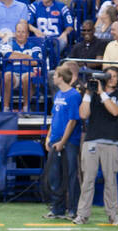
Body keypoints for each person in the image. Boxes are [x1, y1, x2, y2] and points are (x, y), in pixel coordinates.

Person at [73, 65, 118, 225]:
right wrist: (88, 93)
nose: (111, 78)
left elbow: (115, 111)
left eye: (114, 76)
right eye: (108, 75)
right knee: (88, 179)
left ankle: (113, 215)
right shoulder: (93, 94)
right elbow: (83, 114)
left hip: (111, 141)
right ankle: (82, 214)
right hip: (92, 140)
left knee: (111, 181)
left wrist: (101, 93)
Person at [44, 61, 77, 217]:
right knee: (54, 175)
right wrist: (48, 137)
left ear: (61, 77)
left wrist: (63, 141)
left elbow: (72, 121)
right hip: (55, 139)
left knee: (70, 174)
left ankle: (72, 208)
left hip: (69, 142)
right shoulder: (58, 94)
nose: (53, 77)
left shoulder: (74, 95)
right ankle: (57, 208)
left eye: (56, 75)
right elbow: (54, 116)